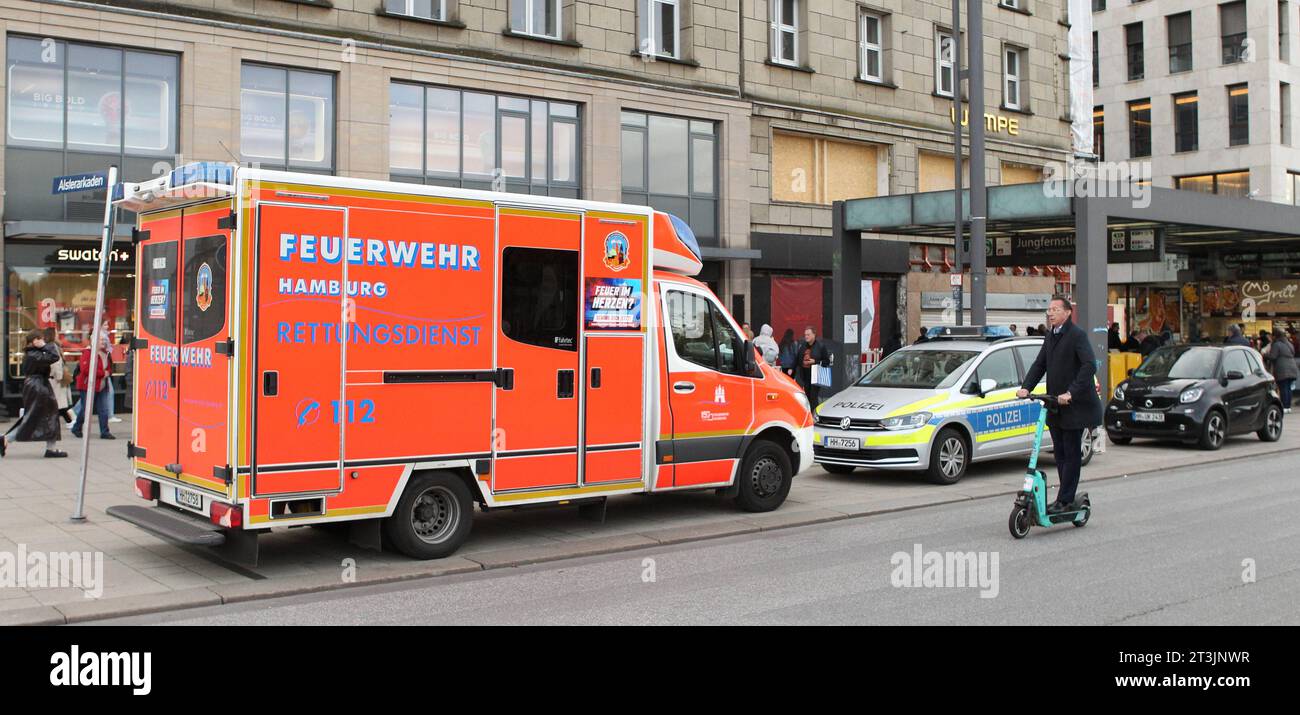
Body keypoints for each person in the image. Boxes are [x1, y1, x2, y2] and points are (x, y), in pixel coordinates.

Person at [1016, 296, 1102, 514]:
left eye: (1055, 309)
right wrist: (1026, 387)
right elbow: (1040, 364)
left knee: (1072, 454)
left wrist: (1071, 392)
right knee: (1060, 453)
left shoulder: (1077, 335)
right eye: (1049, 309)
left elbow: (1089, 366)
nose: (1050, 313)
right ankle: (1065, 496)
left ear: (1067, 312)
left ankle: (1065, 500)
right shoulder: (1050, 336)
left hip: (1074, 405)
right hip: (1054, 403)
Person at [1, 331, 66, 458]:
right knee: (38, 417)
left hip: (37, 385)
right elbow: (54, 357)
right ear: (35, 341)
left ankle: (50, 448)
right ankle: (6, 438)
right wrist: (45, 346)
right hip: (39, 387)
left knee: (44, 416)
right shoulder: (34, 354)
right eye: (40, 339)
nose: (44, 341)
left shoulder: (32, 353)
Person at [72, 333, 115, 440]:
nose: (103, 342)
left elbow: (110, 367)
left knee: (104, 409)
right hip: (88, 385)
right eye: (101, 339)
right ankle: (77, 427)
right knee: (86, 409)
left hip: (102, 386)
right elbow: (85, 369)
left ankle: (105, 431)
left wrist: (107, 373)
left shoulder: (106, 353)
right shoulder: (87, 353)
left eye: (104, 340)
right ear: (93, 341)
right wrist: (103, 373)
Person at [42, 327, 74, 425]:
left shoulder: (49, 346)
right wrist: (60, 376)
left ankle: (70, 421)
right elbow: (56, 363)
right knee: (60, 404)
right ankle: (71, 422)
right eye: (56, 333)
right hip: (55, 379)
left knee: (57, 404)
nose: (58, 335)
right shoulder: (53, 346)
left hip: (53, 379)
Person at [796, 327, 831, 407]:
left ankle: (814, 416)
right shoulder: (803, 346)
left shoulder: (820, 346)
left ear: (814, 335)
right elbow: (798, 359)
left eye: (808, 335)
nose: (806, 336)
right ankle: (809, 415)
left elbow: (827, 361)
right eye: (805, 335)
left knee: (813, 397)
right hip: (805, 376)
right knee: (807, 397)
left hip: (816, 376)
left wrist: (815, 361)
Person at [1265, 329, 1297, 413]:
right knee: (1288, 388)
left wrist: (1265, 355)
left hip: (1282, 369)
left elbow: (1273, 356)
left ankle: (1285, 407)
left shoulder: (1276, 344)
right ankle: (1288, 407)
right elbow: (1293, 353)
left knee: (1284, 388)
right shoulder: (1289, 344)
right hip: (1292, 367)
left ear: (1276, 336)